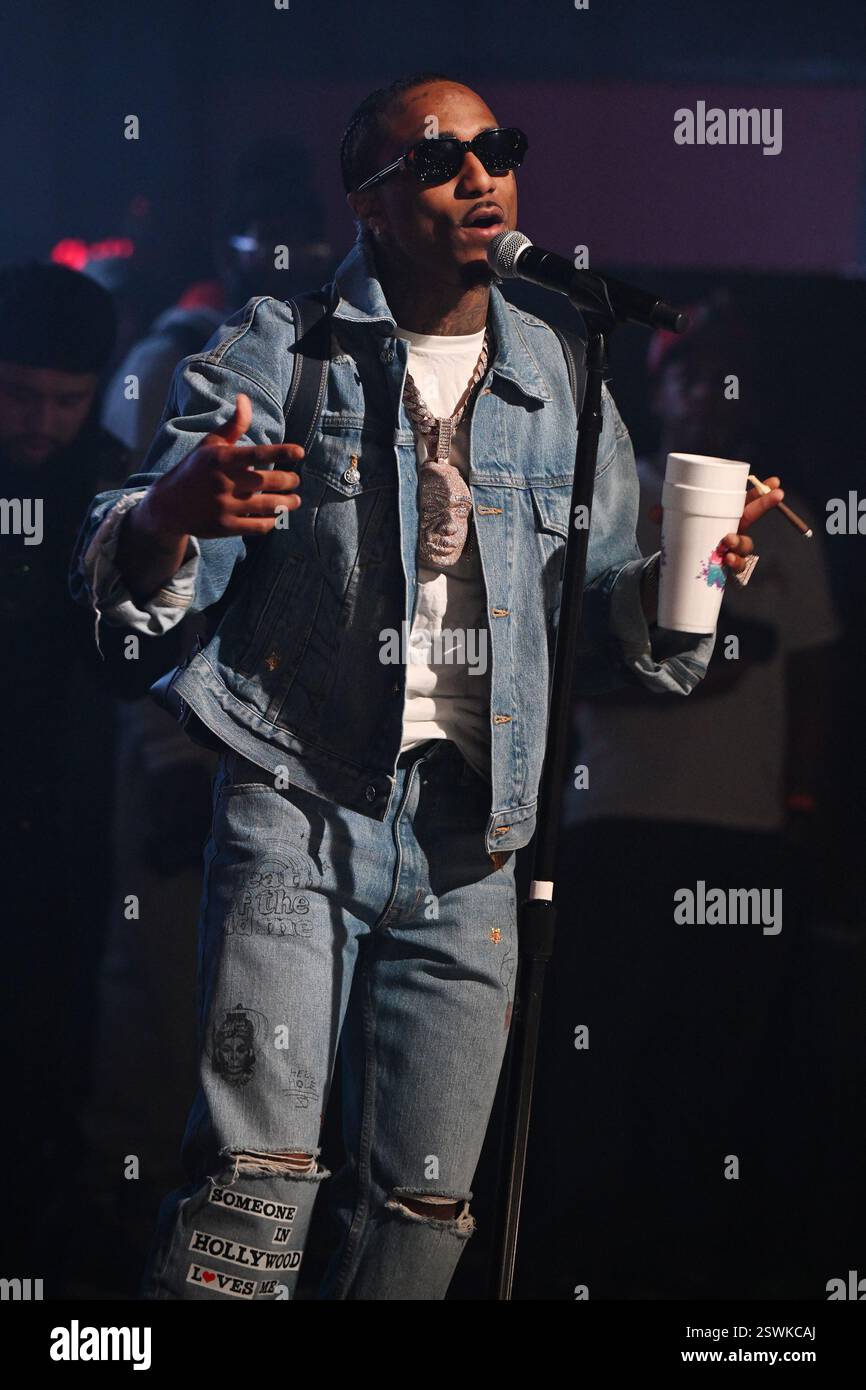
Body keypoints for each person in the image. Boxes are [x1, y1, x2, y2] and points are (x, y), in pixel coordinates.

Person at [69, 73, 781, 1301]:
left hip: (475, 836)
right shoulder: (281, 345)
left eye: (494, 149)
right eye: (436, 158)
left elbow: (609, 618)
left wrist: (693, 577)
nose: (477, 175)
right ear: (369, 206)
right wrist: (173, 513)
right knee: (259, 1185)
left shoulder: (562, 370)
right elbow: (141, 549)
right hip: (299, 804)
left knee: (425, 1207)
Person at [520, 295, 842, 1298]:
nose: (708, 392)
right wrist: (703, 650)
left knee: (711, 1075)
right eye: (688, 373)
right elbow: (596, 657)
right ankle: (580, 1269)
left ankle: (685, 1281)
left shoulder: (783, 525)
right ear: (655, 390)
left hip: (741, 836)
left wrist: (798, 817)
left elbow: (810, 681)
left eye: (726, 376)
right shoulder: (620, 502)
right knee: (599, 1063)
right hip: (616, 822)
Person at [0, 261, 129, 1271]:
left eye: (66, 400)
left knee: (50, 1061)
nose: (41, 421)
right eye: (17, 394)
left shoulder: (121, 489)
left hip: (70, 832)